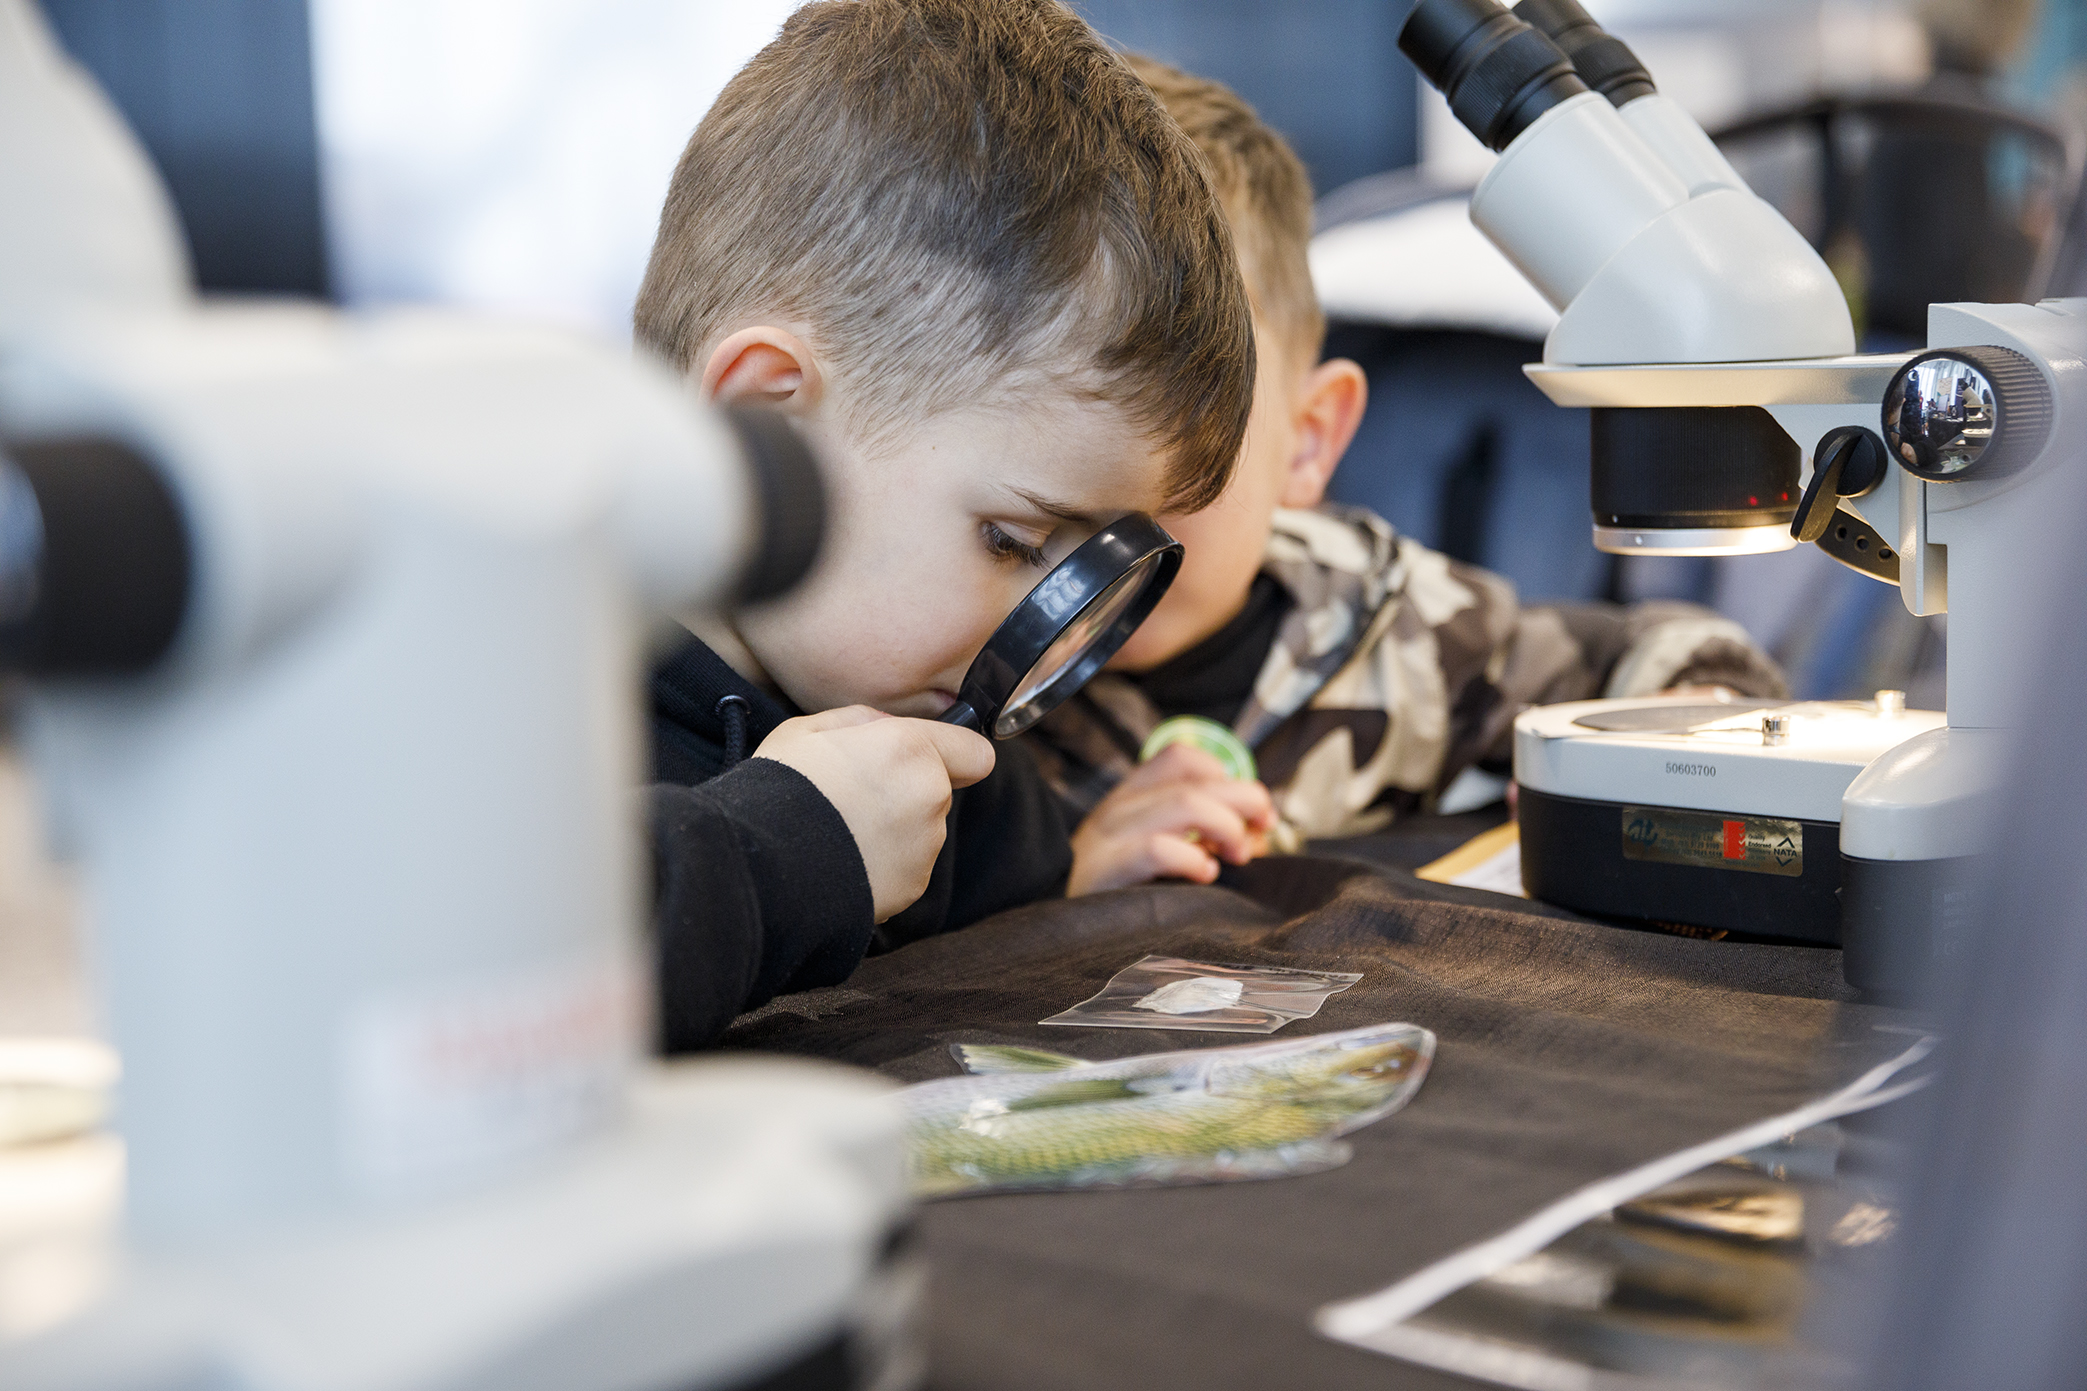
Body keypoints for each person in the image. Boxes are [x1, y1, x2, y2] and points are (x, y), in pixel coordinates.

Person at [632, 0, 1266, 1050]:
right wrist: (790, 853)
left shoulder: (941, 738)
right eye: (1011, 542)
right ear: (760, 426)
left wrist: (1081, 875)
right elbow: (432, 981)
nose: (1053, 638)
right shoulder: (502, 692)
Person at [1026, 56, 1788, 874]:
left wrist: (1676, 724)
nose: (1095, 500)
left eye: (1175, 425)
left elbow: (1670, 648)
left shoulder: (1402, 630)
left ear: (1308, 439)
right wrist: (1065, 877)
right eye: (1039, 433)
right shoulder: (950, 665)